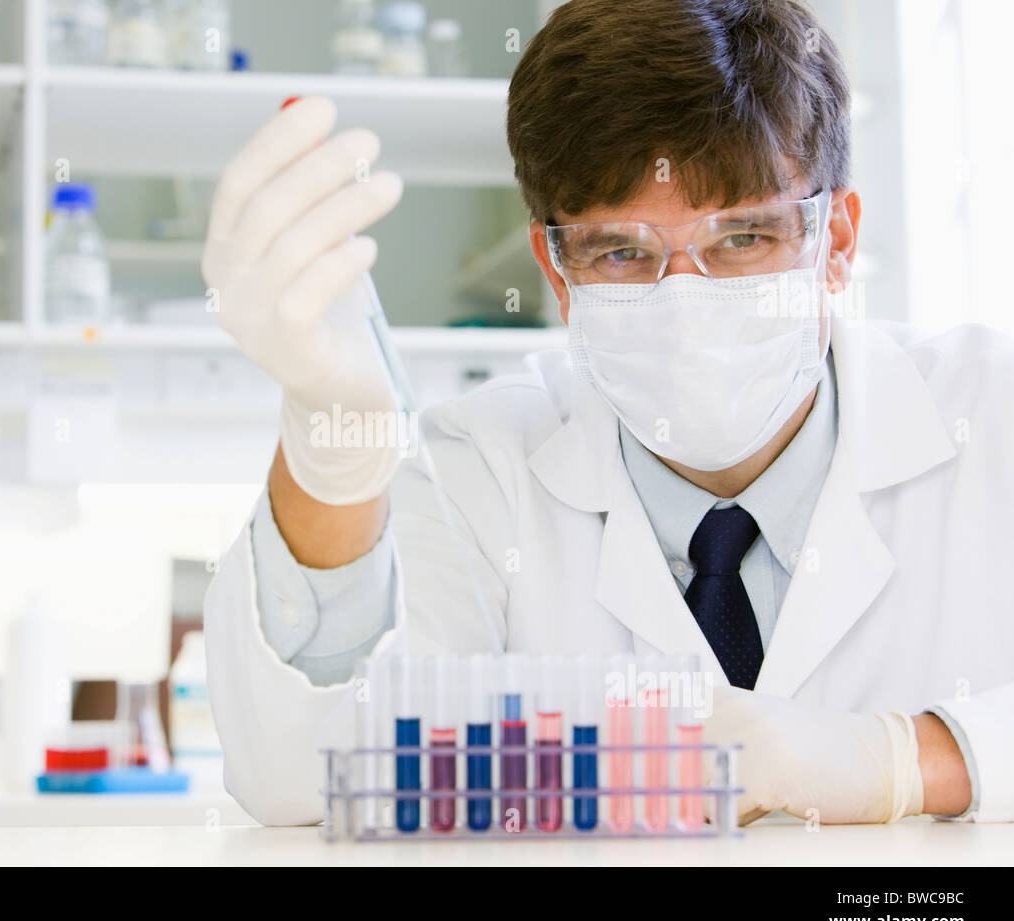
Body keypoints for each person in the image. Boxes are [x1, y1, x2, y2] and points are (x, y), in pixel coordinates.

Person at [199, 0, 1014, 827]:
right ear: (557, 273)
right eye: (622, 252)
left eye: (743, 239)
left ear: (836, 240)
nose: (689, 302)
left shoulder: (992, 414)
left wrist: (914, 758)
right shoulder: (479, 470)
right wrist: (331, 454)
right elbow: (306, 775)